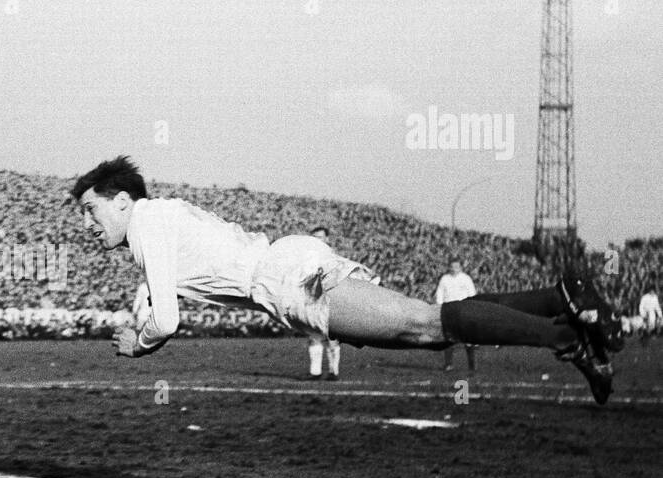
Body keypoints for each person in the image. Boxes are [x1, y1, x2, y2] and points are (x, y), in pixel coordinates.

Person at [71, 156, 618, 404]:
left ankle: (568, 338)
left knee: (428, 326)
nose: (89, 227)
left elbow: (165, 318)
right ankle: (563, 299)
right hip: (290, 267)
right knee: (429, 327)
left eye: (91, 212)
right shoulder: (161, 221)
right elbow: (154, 297)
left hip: (288, 281)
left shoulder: (145, 225)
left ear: (123, 201)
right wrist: (141, 320)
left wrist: (139, 347)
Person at [305, 226, 342, 381]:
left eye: (320, 237)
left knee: (332, 337)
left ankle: (334, 372)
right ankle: (315, 372)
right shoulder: (308, 258)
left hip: (330, 299)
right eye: (314, 237)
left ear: (327, 239)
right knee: (314, 336)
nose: (317, 240)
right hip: (314, 300)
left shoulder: (333, 257)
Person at [435, 258, 478, 372]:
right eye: (452, 266)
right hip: (449, 312)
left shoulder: (466, 279)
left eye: (456, 267)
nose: (454, 269)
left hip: (464, 312)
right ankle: (448, 365)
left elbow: (472, 294)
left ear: (460, 267)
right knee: (449, 338)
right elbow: (439, 294)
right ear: (449, 267)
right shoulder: (445, 279)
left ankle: (472, 366)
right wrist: (440, 307)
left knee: (468, 339)